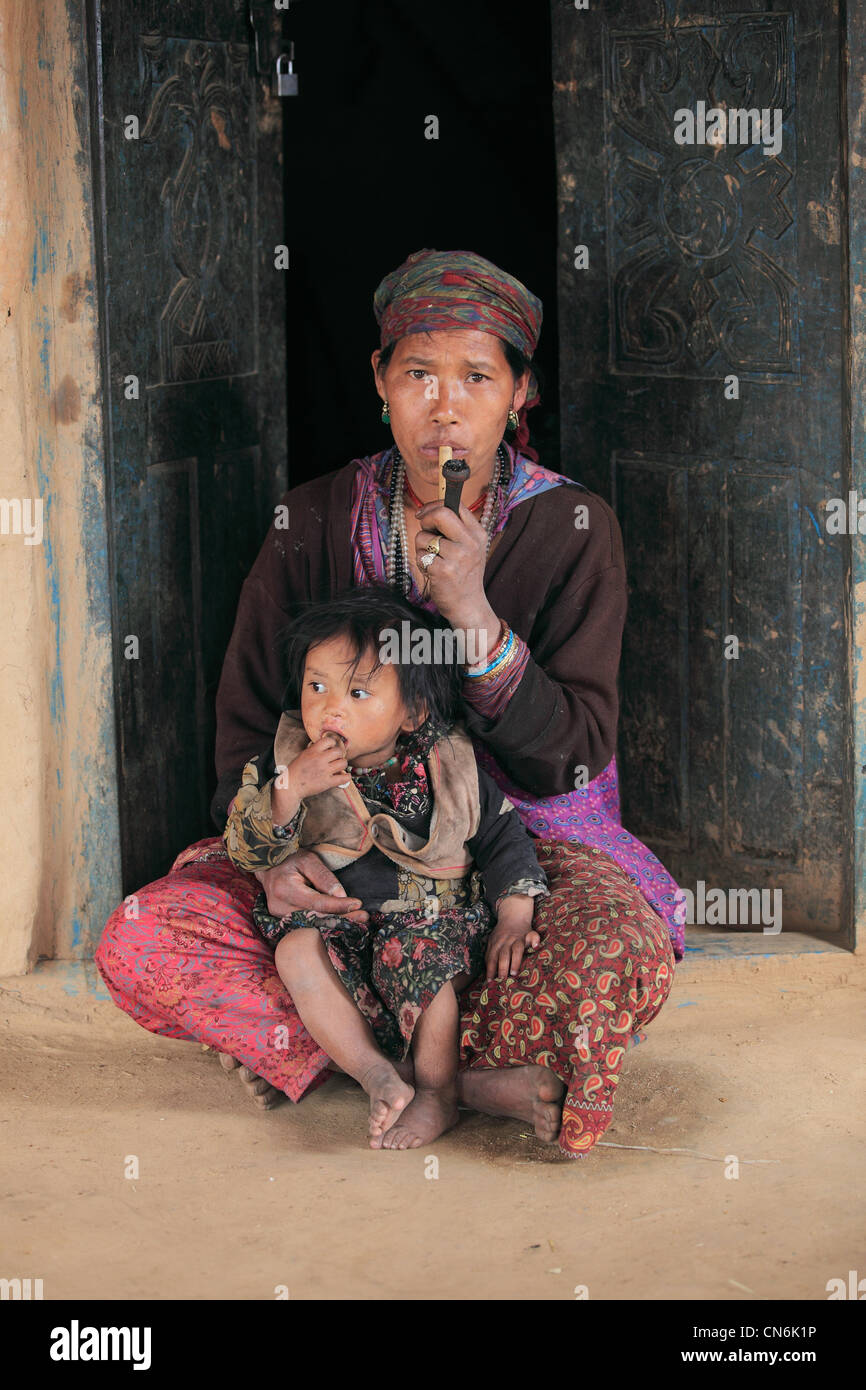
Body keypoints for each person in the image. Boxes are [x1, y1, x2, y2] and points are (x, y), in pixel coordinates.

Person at [96, 246, 683, 1158]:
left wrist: (476, 619)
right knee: (145, 934)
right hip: (332, 855)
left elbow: (573, 751)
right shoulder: (314, 518)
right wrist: (271, 863)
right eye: (418, 374)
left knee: (613, 958)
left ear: (520, 393)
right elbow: (250, 723)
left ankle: (335, 1052)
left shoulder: (573, 530)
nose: (444, 407)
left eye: (477, 377)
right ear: (379, 380)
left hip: (515, 854)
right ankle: (458, 1076)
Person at [223, 585, 549, 1149]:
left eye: (357, 693)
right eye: (316, 686)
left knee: (421, 957)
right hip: (342, 934)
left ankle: (440, 1094)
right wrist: (290, 789)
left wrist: (515, 918)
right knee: (293, 950)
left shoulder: (447, 768)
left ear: (413, 711)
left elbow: (503, 837)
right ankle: (374, 1073)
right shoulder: (285, 763)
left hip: (429, 931)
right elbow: (244, 849)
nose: (330, 708)